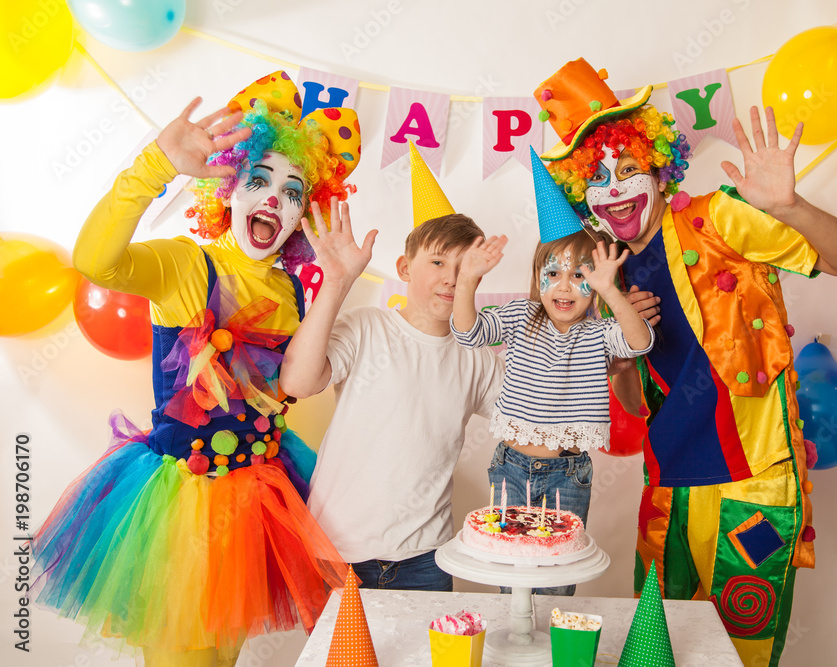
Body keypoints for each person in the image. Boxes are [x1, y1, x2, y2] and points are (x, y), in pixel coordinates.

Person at [534, 58, 837, 666]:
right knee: (653, 650)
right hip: (668, 484)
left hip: (755, 478)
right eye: (599, 177)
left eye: (629, 169)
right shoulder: (607, 272)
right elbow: (639, 402)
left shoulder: (718, 219)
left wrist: (790, 206)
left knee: (740, 648)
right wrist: (619, 342)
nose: (613, 188)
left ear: (661, 174)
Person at [31, 71, 361, 666]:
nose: (272, 201)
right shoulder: (187, 265)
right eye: (258, 181)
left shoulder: (290, 289)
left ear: (303, 212)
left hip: (257, 500)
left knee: (224, 656)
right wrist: (154, 168)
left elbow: (291, 387)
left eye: (292, 192)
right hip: (178, 503)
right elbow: (95, 261)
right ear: (229, 189)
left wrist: (336, 285)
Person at [279, 146, 506, 592]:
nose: (449, 278)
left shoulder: (477, 356)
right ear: (404, 267)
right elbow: (298, 382)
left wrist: (580, 341)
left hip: (427, 558)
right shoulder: (367, 326)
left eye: (464, 270)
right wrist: (338, 282)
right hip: (338, 550)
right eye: (438, 262)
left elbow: (528, 421)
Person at [449, 154, 655, 595]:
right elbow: (469, 334)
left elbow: (639, 343)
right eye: (554, 273)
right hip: (511, 467)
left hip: (569, 472)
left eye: (581, 276)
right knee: (512, 574)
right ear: (537, 278)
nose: (564, 286)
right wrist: (466, 282)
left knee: (558, 575)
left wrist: (610, 292)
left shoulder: (600, 333)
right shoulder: (522, 316)